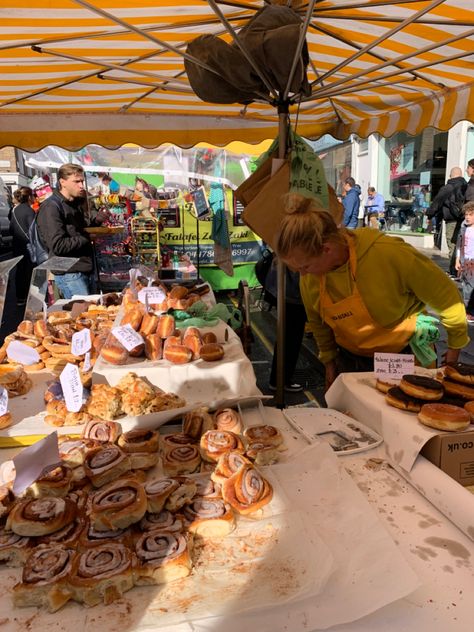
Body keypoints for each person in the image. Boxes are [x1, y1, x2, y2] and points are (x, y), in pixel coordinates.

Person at [275, 194, 469, 391]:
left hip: (404, 357)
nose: (302, 274)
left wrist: (454, 349)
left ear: (326, 249)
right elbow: (318, 323)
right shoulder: (310, 278)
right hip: (350, 360)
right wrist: (329, 361)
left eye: (305, 266)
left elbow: (446, 296)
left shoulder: (387, 253)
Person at [36, 163, 95, 299]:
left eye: (82, 181)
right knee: (82, 316)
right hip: (69, 273)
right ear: (62, 182)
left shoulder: (73, 204)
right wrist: (88, 237)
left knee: (90, 314)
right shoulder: (51, 207)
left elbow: (77, 231)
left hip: (82, 269)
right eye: (76, 181)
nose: (81, 185)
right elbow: (58, 245)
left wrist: (96, 222)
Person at [265, 259, 306, 393]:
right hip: (292, 294)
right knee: (291, 338)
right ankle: (281, 380)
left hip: (283, 289)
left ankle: (279, 379)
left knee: (287, 336)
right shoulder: (297, 249)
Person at [426, 167, 467, 276]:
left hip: (452, 220)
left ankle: (454, 271)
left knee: (453, 245)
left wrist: (429, 215)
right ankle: (462, 270)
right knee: (463, 245)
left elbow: (436, 203)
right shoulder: (466, 186)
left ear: (450, 175)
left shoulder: (448, 187)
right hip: (465, 220)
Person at [9, 186, 35, 305]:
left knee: (20, 272)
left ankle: (20, 297)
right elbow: (33, 230)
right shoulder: (29, 211)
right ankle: (30, 297)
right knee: (29, 272)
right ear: (29, 196)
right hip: (28, 246)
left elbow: (11, 229)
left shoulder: (14, 210)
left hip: (17, 245)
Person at [455, 201, 474, 323]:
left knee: (471, 288)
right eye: (466, 214)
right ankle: (468, 311)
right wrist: (457, 260)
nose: (467, 217)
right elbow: (458, 246)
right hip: (464, 261)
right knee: (465, 286)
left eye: (471, 214)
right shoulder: (463, 229)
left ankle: (470, 311)